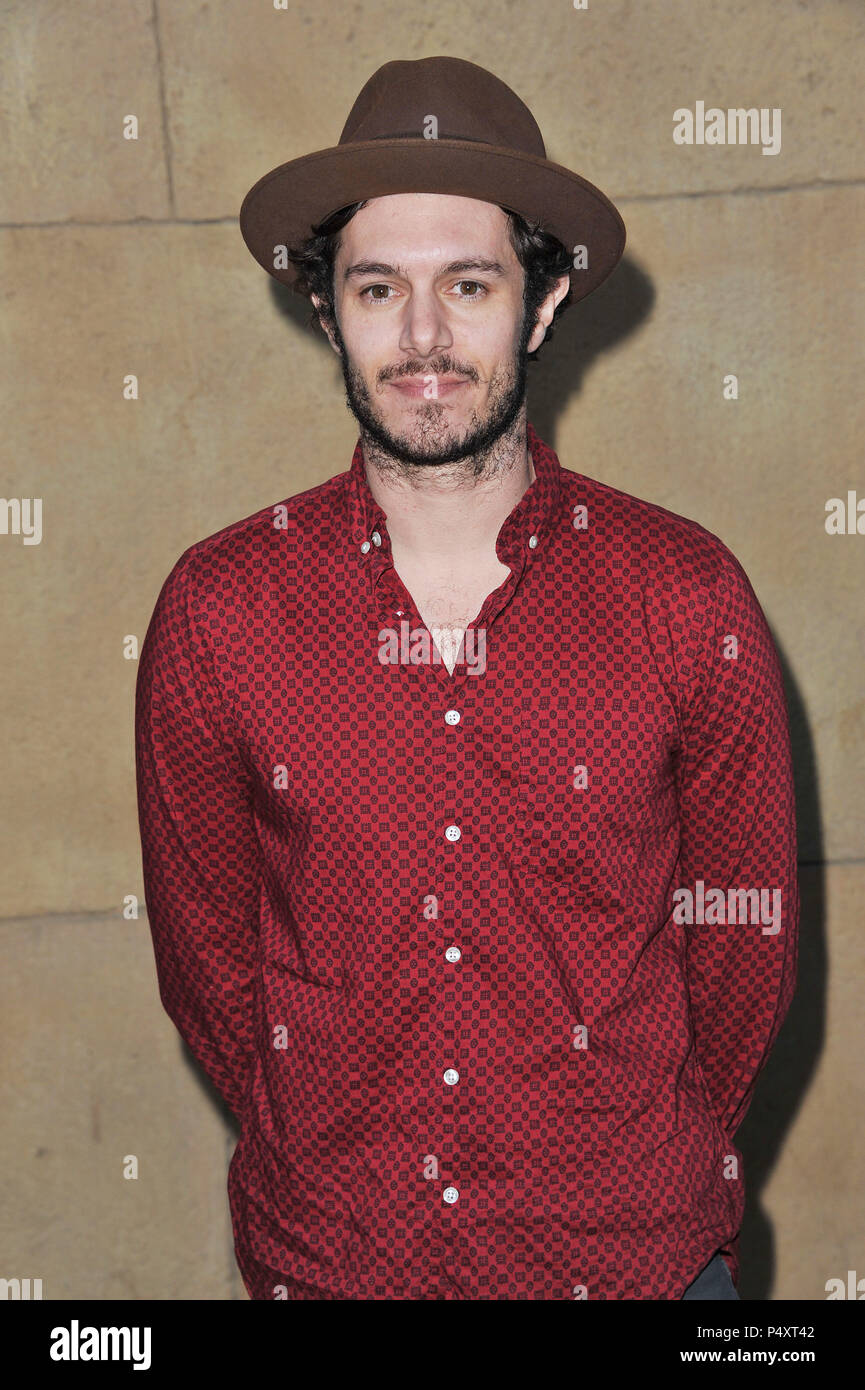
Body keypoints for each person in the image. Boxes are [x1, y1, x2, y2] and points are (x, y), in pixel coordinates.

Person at [135, 56, 798, 1300]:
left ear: (539, 308)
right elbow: (207, 957)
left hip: (637, 1265)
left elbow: (740, 942)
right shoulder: (221, 610)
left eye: (470, 285)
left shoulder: (684, 593)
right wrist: (327, 1141)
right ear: (328, 312)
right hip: (339, 1263)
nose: (425, 337)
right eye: (380, 287)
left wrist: (638, 1148)